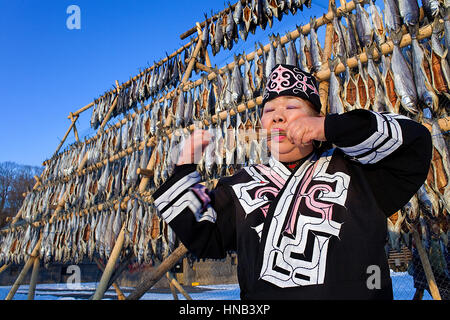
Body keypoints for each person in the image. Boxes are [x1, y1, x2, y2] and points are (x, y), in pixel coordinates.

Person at [152, 64, 432, 300]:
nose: (278, 115)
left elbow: (414, 143)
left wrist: (328, 129)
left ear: (318, 117)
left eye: (291, 106)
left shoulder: (361, 170)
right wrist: (184, 168)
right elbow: (204, 237)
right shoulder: (238, 185)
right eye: (269, 109)